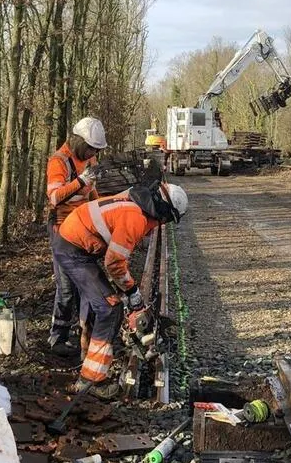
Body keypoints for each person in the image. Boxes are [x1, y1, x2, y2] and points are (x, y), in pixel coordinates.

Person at [55, 181, 188, 399]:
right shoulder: (135, 217)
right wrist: (132, 292)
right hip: (74, 250)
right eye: (167, 220)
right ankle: (90, 381)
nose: (163, 224)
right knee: (109, 308)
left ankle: (87, 353)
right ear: (163, 211)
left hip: (77, 242)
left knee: (103, 302)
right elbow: (114, 262)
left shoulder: (134, 201)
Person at [45, 116, 108, 359]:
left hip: (83, 226)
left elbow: (91, 192)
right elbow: (54, 197)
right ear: (78, 141)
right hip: (61, 228)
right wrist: (80, 181)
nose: (93, 153)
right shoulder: (59, 162)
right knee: (67, 287)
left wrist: (101, 212)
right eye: (91, 148)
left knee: (86, 283)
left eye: (96, 150)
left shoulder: (89, 159)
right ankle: (57, 337)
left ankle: (83, 332)